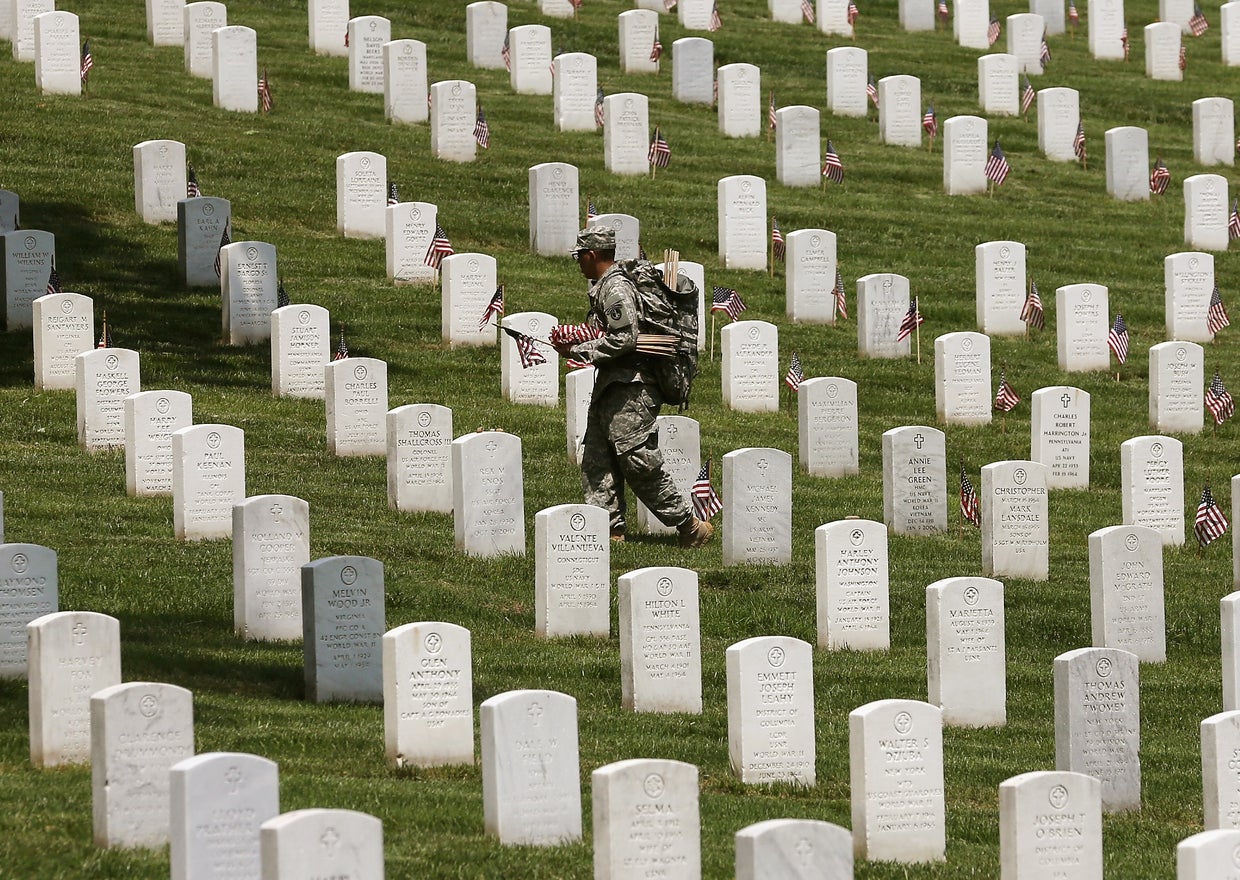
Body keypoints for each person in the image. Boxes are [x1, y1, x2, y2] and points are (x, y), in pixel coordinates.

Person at [552, 226, 714, 548]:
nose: (578, 263)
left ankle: (689, 525)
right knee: (598, 460)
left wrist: (579, 351)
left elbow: (625, 339)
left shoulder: (615, 289)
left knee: (637, 460)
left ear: (592, 254)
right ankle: (610, 530)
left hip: (633, 388)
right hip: (613, 386)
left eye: (579, 256)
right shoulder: (606, 287)